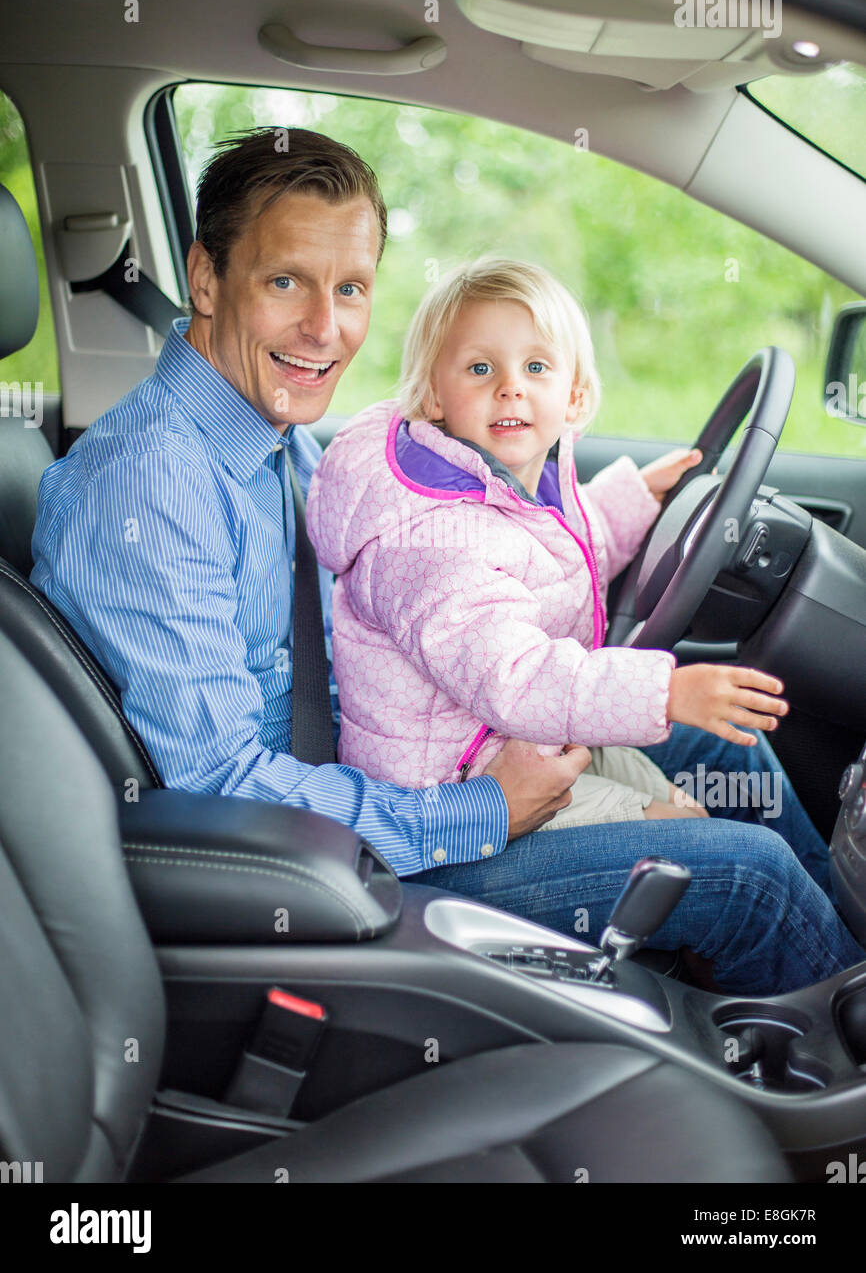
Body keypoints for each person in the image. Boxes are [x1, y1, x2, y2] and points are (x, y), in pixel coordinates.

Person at [30, 129, 587, 884]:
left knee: (707, 749)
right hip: (325, 874)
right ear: (205, 279)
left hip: (396, 778)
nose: (327, 329)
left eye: (351, 288)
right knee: (749, 880)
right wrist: (481, 810)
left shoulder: (282, 443)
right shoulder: (149, 486)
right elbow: (221, 787)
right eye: (286, 282)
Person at [306, 255, 864, 995]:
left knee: (734, 750)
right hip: (457, 813)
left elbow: (554, 551)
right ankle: (836, 1023)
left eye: (535, 366)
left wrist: (637, 497)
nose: (509, 385)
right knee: (717, 850)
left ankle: (835, 932)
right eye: (479, 368)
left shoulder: (512, 476)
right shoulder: (428, 542)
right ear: (433, 397)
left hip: (514, 743)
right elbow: (518, 677)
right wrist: (664, 692)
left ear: (572, 397)